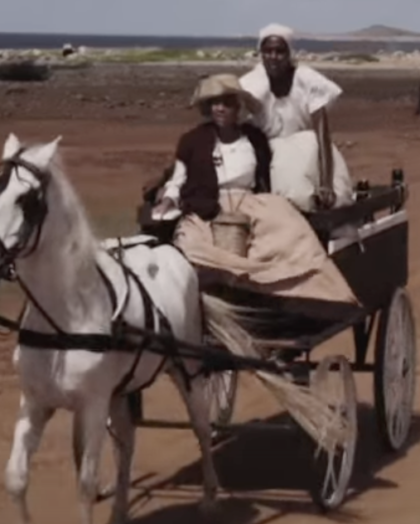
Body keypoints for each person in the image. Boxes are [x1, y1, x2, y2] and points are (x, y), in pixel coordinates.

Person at [151, 74, 357, 310]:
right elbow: (179, 179)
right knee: (194, 245)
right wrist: (168, 199)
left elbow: (266, 175)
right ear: (208, 108)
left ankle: (307, 293)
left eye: (227, 103)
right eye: (215, 103)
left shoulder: (253, 138)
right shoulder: (192, 140)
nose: (220, 108)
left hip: (249, 203)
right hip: (206, 206)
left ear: (238, 107)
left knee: (291, 232)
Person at [239, 24, 347, 211]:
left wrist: (326, 182)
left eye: (279, 51)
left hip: (308, 146)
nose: (273, 57)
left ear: (289, 53)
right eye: (267, 51)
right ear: (261, 54)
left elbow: (322, 134)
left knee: (325, 197)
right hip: (265, 151)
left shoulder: (307, 80)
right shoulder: (251, 83)